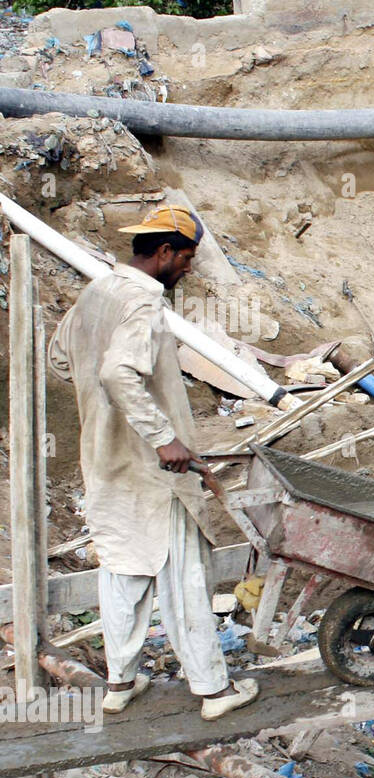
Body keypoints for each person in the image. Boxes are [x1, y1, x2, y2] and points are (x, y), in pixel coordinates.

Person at [49, 205, 259, 722]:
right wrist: (164, 438)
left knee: (122, 571)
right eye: (186, 258)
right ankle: (212, 691)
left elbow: (59, 357)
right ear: (165, 253)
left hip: (105, 461)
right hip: (152, 471)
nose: (188, 267)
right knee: (183, 574)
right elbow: (120, 372)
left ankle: (119, 683)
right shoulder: (143, 300)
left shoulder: (98, 291)